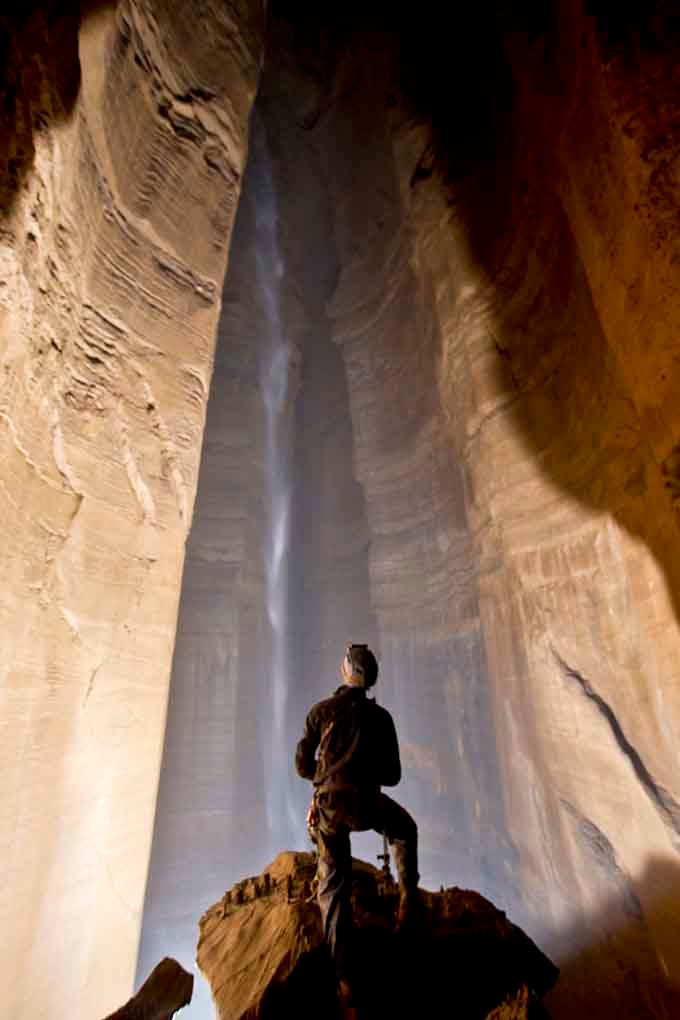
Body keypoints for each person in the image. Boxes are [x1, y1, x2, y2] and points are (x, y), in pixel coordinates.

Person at [295, 643, 419, 991]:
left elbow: (302, 766)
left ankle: (344, 977)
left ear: (345, 672)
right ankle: (408, 905)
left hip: (331, 807)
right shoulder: (383, 719)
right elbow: (393, 775)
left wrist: (325, 777)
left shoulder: (320, 713)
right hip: (368, 805)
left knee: (333, 885)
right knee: (405, 829)